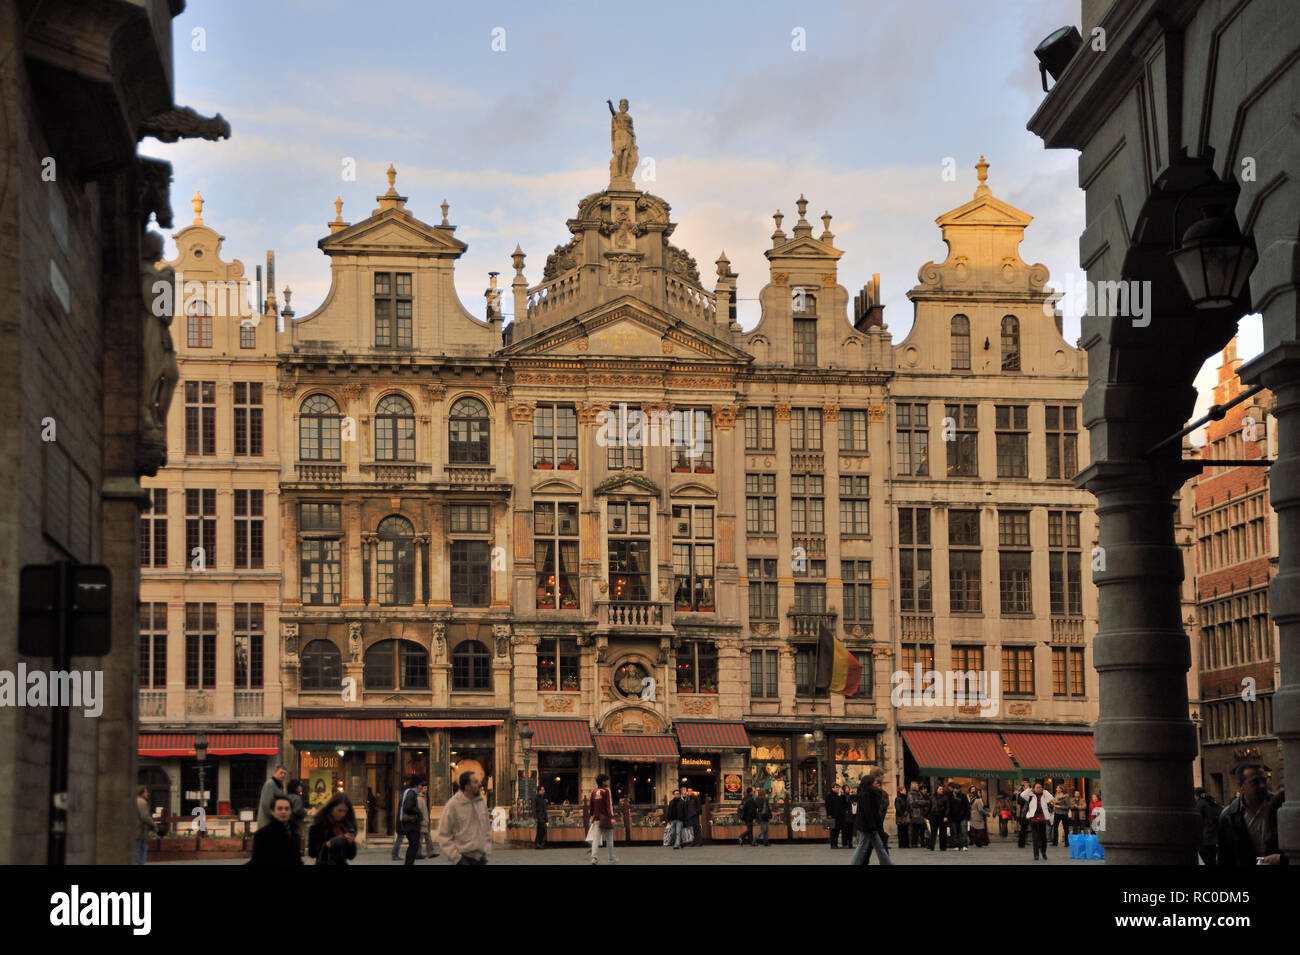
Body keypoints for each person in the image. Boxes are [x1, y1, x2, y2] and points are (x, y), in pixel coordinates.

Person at [1217, 765, 1286, 866]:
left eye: (1264, 780)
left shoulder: (1280, 806)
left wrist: (1281, 859)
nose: (1262, 785)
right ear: (1241, 785)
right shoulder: (1228, 816)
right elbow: (1225, 857)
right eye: (1255, 782)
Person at [438, 770, 490, 865]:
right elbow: (443, 835)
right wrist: (457, 859)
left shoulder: (481, 802)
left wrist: (486, 848)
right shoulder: (453, 805)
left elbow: (486, 827)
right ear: (467, 787)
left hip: (480, 858)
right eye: (475, 782)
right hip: (463, 859)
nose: (480, 784)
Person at [850, 768, 893, 866]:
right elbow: (870, 812)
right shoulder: (867, 794)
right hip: (870, 826)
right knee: (865, 847)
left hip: (873, 825)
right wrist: (873, 825)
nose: (877, 782)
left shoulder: (870, 792)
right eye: (875, 781)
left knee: (879, 846)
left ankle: (887, 863)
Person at [250, 795, 303, 865]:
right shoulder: (262, 835)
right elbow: (257, 861)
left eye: (287, 809)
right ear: (272, 812)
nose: (284, 812)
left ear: (291, 811)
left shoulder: (294, 833)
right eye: (280, 809)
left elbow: (297, 860)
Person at [308, 792, 358, 866]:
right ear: (331, 808)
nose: (342, 814)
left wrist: (351, 843)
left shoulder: (347, 825)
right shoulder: (319, 824)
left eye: (345, 811)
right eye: (339, 810)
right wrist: (330, 843)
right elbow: (312, 852)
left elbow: (350, 856)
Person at [587, 773, 617, 864]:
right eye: (606, 780)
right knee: (609, 839)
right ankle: (611, 859)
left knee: (596, 839)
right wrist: (612, 817)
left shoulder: (593, 791)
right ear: (603, 781)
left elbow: (591, 806)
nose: (607, 782)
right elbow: (609, 805)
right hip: (606, 818)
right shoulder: (606, 791)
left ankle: (594, 858)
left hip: (597, 818)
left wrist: (592, 815)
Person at [394, 775, 422, 865]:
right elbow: (408, 807)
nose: (421, 787)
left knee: (413, 845)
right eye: (420, 785)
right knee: (414, 845)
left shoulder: (407, 792)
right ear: (416, 785)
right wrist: (418, 812)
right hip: (410, 825)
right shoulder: (411, 793)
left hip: (407, 824)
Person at [1025, 783, 1054, 860]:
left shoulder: (1044, 795)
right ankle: (1036, 855)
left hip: (1042, 818)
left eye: (1040, 787)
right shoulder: (1031, 796)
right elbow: (1022, 795)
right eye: (1037, 787)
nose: (1039, 789)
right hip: (1033, 818)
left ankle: (1043, 852)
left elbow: (1051, 798)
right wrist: (1029, 789)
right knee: (1035, 838)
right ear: (1034, 788)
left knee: (1043, 837)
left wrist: (1045, 791)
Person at [1193, 787, 1221, 866]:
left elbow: (1197, 819)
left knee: (1207, 859)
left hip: (1205, 837)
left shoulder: (1200, 804)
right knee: (1212, 858)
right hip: (1213, 836)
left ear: (1196, 795)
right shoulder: (1211, 801)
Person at [135, 786, 157, 865]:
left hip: (135, 831)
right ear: (141, 793)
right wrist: (153, 825)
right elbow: (145, 816)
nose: (147, 793)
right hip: (140, 832)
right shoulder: (142, 802)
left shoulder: (133, 801)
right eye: (146, 792)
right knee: (141, 851)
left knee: (137, 851)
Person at [947, 781, 970, 851]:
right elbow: (948, 807)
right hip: (953, 817)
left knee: (963, 831)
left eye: (958, 788)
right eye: (955, 788)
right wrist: (948, 816)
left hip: (963, 817)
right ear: (953, 789)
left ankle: (964, 845)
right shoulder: (950, 796)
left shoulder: (963, 796)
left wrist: (967, 816)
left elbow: (967, 806)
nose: (956, 790)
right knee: (954, 832)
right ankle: (956, 845)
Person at [928, 781, 950, 851]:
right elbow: (929, 806)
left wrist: (946, 816)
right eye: (940, 789)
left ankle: (943, 846)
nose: (941, 790)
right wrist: (927, 815)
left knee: (943, 832)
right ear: (936, 790)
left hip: (942, 816)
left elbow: (947, 807)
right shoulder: (932, 797)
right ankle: (931, 846)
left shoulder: (945, 798)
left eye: (942, 789)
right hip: (933, 816)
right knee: (933, 832)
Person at [419, 782, 438, 858]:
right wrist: (422, 821)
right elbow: (420, 811)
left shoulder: (425, 797)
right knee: (420, 839)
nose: (426, 790)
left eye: (427, 788)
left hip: (426, 820)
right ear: (421, 788)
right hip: (422, 822)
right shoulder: (420, 798)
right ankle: (419, 853)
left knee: (428, 838)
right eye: (425, 788)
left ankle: (430, 853)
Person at [907, 782, 927, 849]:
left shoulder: (919, 793)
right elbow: (912, 803)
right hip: (914, 813)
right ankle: (914, 843)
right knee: (915, 829)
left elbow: (924, 802)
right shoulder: (910, 794)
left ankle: (922, 843)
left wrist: (918, 801)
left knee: (922, 829)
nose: (918, 786)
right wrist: (919, 802)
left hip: (921, 813)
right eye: (917, 785)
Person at [826, 784, 845, 849]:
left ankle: (836, 844)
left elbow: (842, 803)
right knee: (833, 831)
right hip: (833, 815)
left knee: (837, 830)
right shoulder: (829, 795)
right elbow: (827, 805)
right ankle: (833, 844)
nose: (837, 789)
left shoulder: (838, 795)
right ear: (832, 788)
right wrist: (829, 814)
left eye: (838, 788)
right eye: (836, 787)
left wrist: (842, 795)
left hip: (839, 816)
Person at [1016, 781, 1033, 848]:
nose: (1027, 787)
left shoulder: (1031, 793)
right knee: (1023, 828)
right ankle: (1022, 842)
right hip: (1024, 813)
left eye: (1028, 786)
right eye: (1026, 786)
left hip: (1030, 812)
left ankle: (1025, 841)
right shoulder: (1022, 794)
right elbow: (1019, 802)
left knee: (1028, 828)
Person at [533, 784, 549, 850]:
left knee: (541, 830)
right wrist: (535, 817)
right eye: (542, 790)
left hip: (543, 816)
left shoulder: (543, 798)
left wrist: (546, 818)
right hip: (539, 816)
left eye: (544, 790)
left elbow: (544, 808)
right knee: (542, 829)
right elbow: (534, 808)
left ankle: (538, 844)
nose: (543, 791)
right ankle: (538, 844)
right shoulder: (536, 798)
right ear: (539, 791)